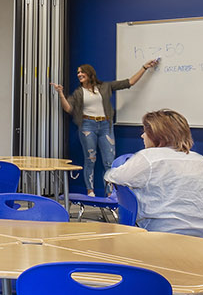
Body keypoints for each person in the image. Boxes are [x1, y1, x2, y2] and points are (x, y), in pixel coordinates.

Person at [106, 109, 203, 246]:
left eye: (145, 132)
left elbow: (114, 176)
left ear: (156, 134)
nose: (142, 136)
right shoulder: (200, 160)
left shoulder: (148, 158)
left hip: (163, 237)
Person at [53, 58, 161, 196]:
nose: (79, 74)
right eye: (78, 73)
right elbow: (68, 108)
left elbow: (130, 82)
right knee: (90, 160)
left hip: (105, 125)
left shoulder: (104, 87)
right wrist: (61, 93)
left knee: (109, 161)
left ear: (89, 73)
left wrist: (144, 67)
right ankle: (90, 192)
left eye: (81, 72)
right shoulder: (79, 92)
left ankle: (110, 194)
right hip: (87, 126)